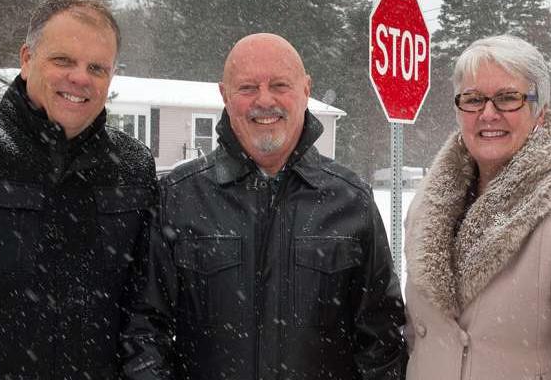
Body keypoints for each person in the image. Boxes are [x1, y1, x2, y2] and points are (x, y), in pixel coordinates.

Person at [122, 33, 407, 380]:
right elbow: (144, 333)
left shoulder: (351, 200)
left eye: (279, 85)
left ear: (306, 90)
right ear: (225, 95)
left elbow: (383, 341)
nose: (265, 100)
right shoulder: (178, 197)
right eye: (247, 88)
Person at [0, 0, 158, 378]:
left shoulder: (132, 168)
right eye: (63, 60)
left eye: (97, 67)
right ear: (27, 59)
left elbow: (144, 311)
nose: (80, 78)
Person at [403, 34, 551, 379]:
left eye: (507, 98)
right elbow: (418, 338)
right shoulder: (429, 204)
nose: (488, 113)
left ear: (540, 112)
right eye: (472, 99)